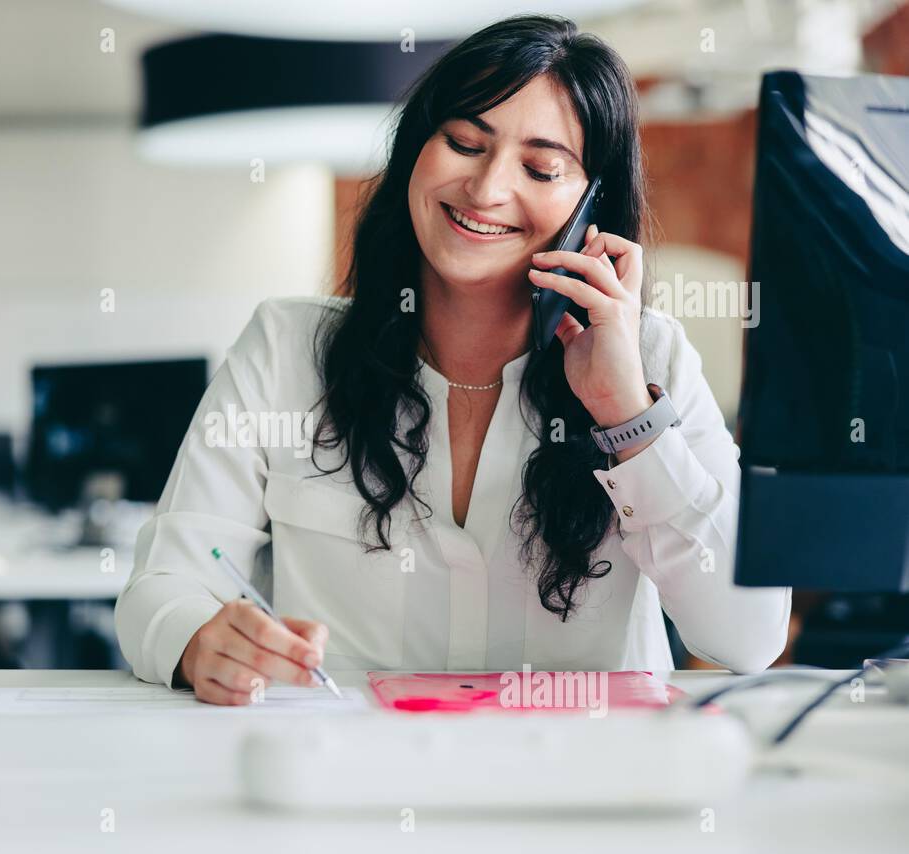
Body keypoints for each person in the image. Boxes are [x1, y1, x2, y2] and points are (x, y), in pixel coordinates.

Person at [114, 14, 792, 705]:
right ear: (416, 152)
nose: (487, 188)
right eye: (465, 143)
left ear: (592, 206)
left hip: (581, 790)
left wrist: (626, 416)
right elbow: (160, 588)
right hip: (347, 785)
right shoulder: (285, 348)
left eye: (540, 167)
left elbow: (748, 633)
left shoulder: (653, 359)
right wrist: (199, 638)